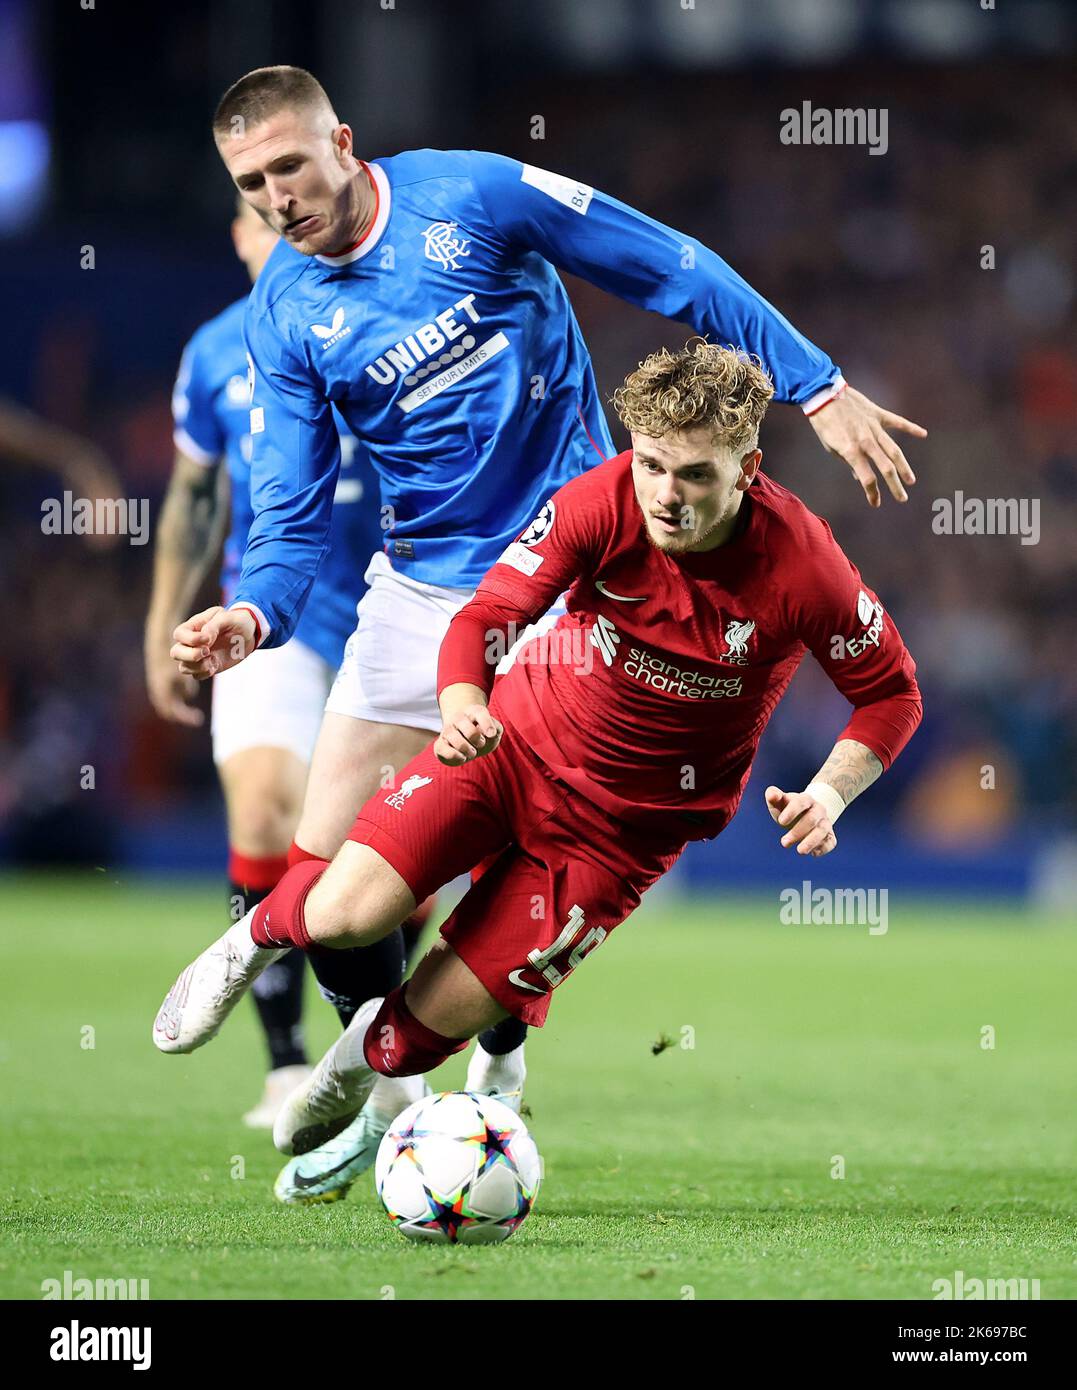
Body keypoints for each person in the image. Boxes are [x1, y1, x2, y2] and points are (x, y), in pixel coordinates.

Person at [164, 64, 925, 1149]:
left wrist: (815, 382)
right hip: (425, 584)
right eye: (251, 183)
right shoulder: (283, 317)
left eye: (290, 164)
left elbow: (672, 266)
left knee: (526, 845)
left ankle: (491, 1042)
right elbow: (286, 516)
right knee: (330, 886)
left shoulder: (470, 197)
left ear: (343, 140)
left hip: (576, 576)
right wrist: (254, 618)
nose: (278, 196)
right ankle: (388, 1096)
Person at [154, 342, 922, 1205]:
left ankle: (364, 1081)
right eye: (652, 465)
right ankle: (249, 942)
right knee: (343, 913)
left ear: (748, 468)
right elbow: (489, 613)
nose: (667, 495)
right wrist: (461, 704)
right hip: (508, 753)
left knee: (419, 1035)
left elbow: (890, 694)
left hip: (618, 839)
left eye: (696, 476)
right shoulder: (599, 502)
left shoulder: (803, 566)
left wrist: (826, 792)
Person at [143, 198, 412, 1127]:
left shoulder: (394, 317)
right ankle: (286, 1063)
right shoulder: (215, 350)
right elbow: (191, 496)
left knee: (391, 851)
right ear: (240, 237)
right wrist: (161, 624)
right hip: (264, 621)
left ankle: (387, 1060)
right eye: (261, 217)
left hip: (393, 612)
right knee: (263, 810)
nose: (282, 232)